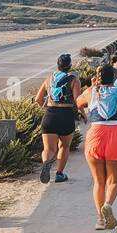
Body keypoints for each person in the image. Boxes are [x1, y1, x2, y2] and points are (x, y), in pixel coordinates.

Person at [77, 64, 117, 229]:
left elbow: (77, 103)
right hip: (116, 134)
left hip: (95, 134)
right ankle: (108, 205)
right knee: (114, 180)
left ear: (97, 78)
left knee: (98, 181)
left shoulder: (91, 92)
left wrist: (91, 88)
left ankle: (100, 220)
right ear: (115, 78)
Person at [34, 52, 81, 184]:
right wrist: (82, 113)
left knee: (48, 149)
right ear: (70, 66)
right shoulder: (73, 80)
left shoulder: (49, 79)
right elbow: (78, 101)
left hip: (50, 115)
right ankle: (59, 174)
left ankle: (46, 164)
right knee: (64, 147)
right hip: (66, 115)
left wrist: (48, 108)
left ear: (57, 65)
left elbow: (38, 99)